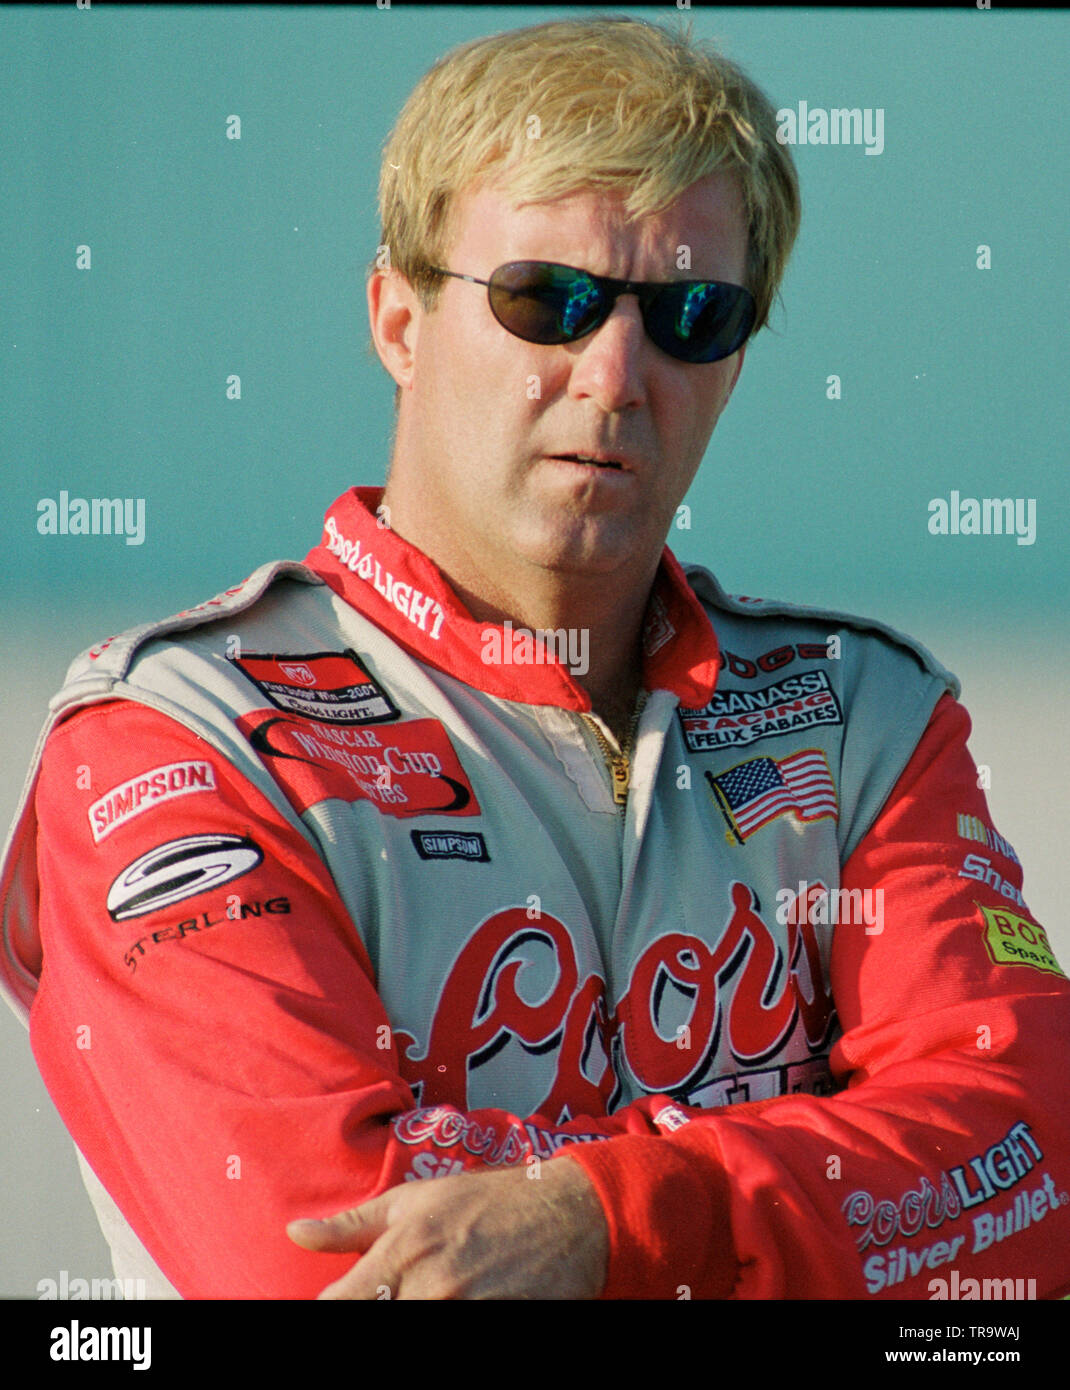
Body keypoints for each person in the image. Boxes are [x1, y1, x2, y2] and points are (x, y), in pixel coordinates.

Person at [2, 15, 1069, 1302]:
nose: (615, 374)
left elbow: (1023, 1161)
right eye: (546, 302)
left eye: (690, 314)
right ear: (398, 320)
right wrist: (815, 1197)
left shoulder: (858, 719)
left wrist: (598, 1221)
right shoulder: (175, 737)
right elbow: (322, 1266)